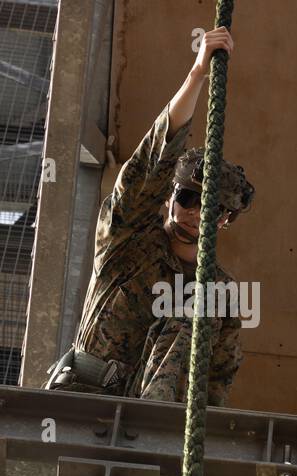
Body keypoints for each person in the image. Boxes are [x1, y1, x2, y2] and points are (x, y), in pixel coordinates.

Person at [46, 27, 253, 406]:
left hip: (150, 426)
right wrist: (197, 74)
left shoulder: (219, 295)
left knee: (198, 309)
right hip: (81, 398)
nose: (194, 213)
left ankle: (155, 425)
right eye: (188, 197)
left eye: (211, 208)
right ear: (171, 197)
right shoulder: (128, 239)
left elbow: (215, 383)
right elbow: (150, 165)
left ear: (225, 220)